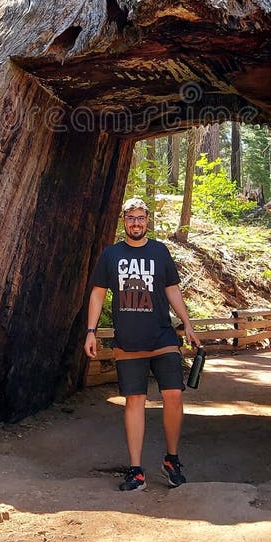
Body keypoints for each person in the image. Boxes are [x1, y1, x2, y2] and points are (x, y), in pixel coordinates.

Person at [84, 197, 201, 493]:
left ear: (147, 220)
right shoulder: (111, 255)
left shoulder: (160, 252)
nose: (136, 223)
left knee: (173, 394)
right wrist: (90, 331)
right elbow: (98, 294)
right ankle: (136, 471)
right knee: (134, 401)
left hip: (162, 336)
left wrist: (187, 323)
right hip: (128, 339)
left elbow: (172, 289)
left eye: (140, 218)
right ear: (124, 220)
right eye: (131, 218)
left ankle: (172, 459)